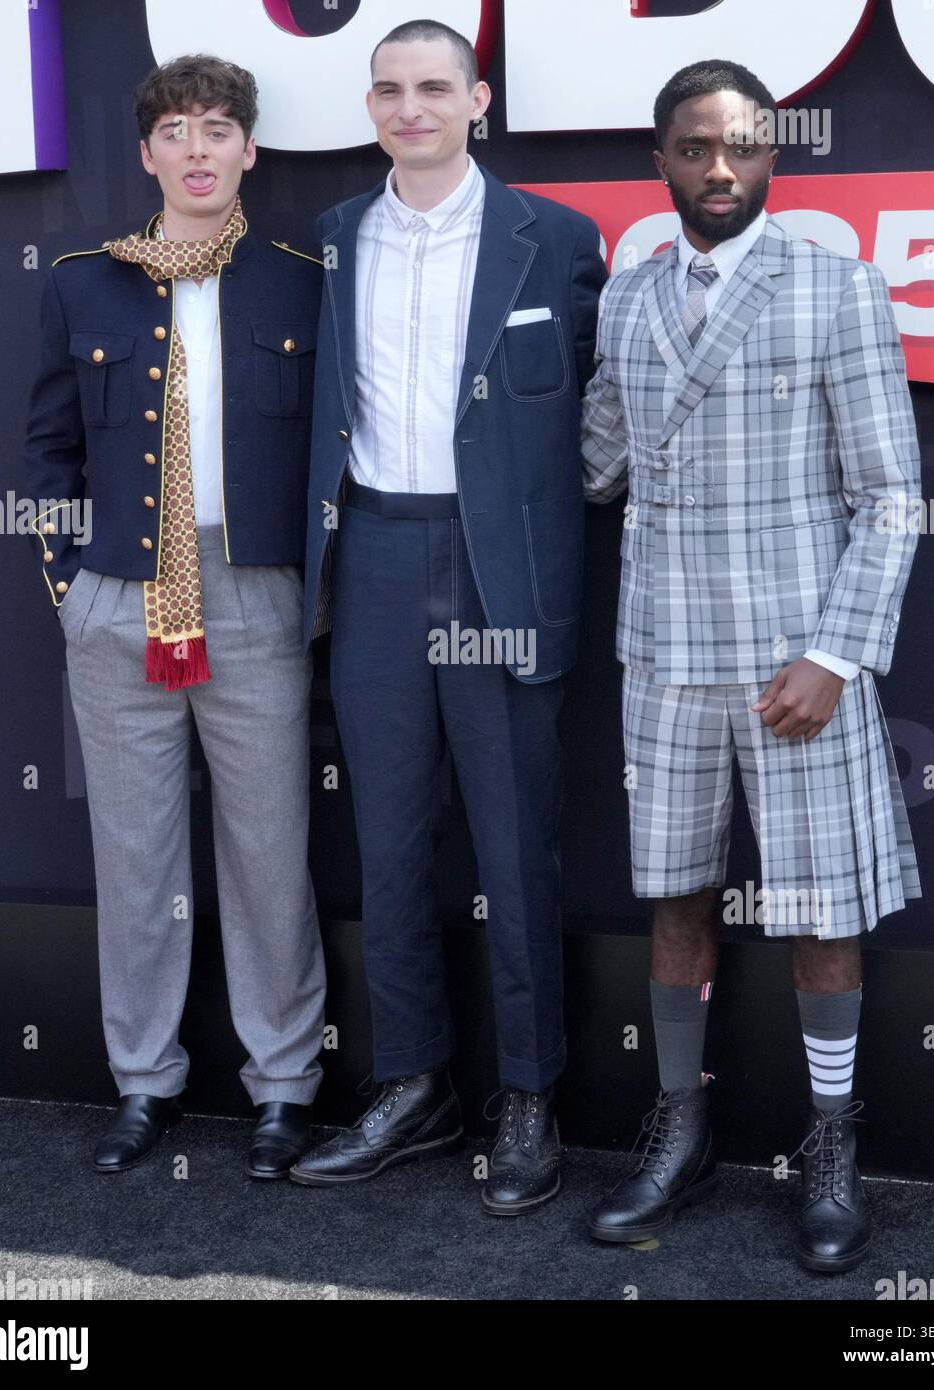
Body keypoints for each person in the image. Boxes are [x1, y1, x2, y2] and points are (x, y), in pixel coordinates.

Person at [581, 59, 921, 1269]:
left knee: (819, 903)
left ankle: (831, 1141)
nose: (716, 167)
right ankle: (680, 1132)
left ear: (772, 154)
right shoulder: (626, 295)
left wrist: (832, 654)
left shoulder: (834, 284)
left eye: (738, 145)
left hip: (797, 662)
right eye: (691, 147)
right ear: (659, 159)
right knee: (674, 894)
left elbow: (890, 498)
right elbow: (593, 461)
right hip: (662, 654)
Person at [289, 19, 607, 1214]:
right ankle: (413, 1085)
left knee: (516, 839)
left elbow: (598, 420)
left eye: (433, 87)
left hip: (498, 573)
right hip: (370, 550)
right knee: (389, 839)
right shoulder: (333, 238)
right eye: (388, 90)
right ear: (369, 106)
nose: (409, 107)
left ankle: (529, 1096)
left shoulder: (557, 241)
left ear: (478, 100)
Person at [22, 54, 326, 1179]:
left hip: (252, 593)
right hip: (119, 594)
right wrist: (71, 588)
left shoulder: (302, 278)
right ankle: (144, 1081)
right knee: (136, 856)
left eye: (217, 129)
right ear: (146, 154)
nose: (197, 150)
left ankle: (285, 1087)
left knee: (267, 853)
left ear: (249, 149)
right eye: (175, 132)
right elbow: (47, 448)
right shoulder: (80, 281)